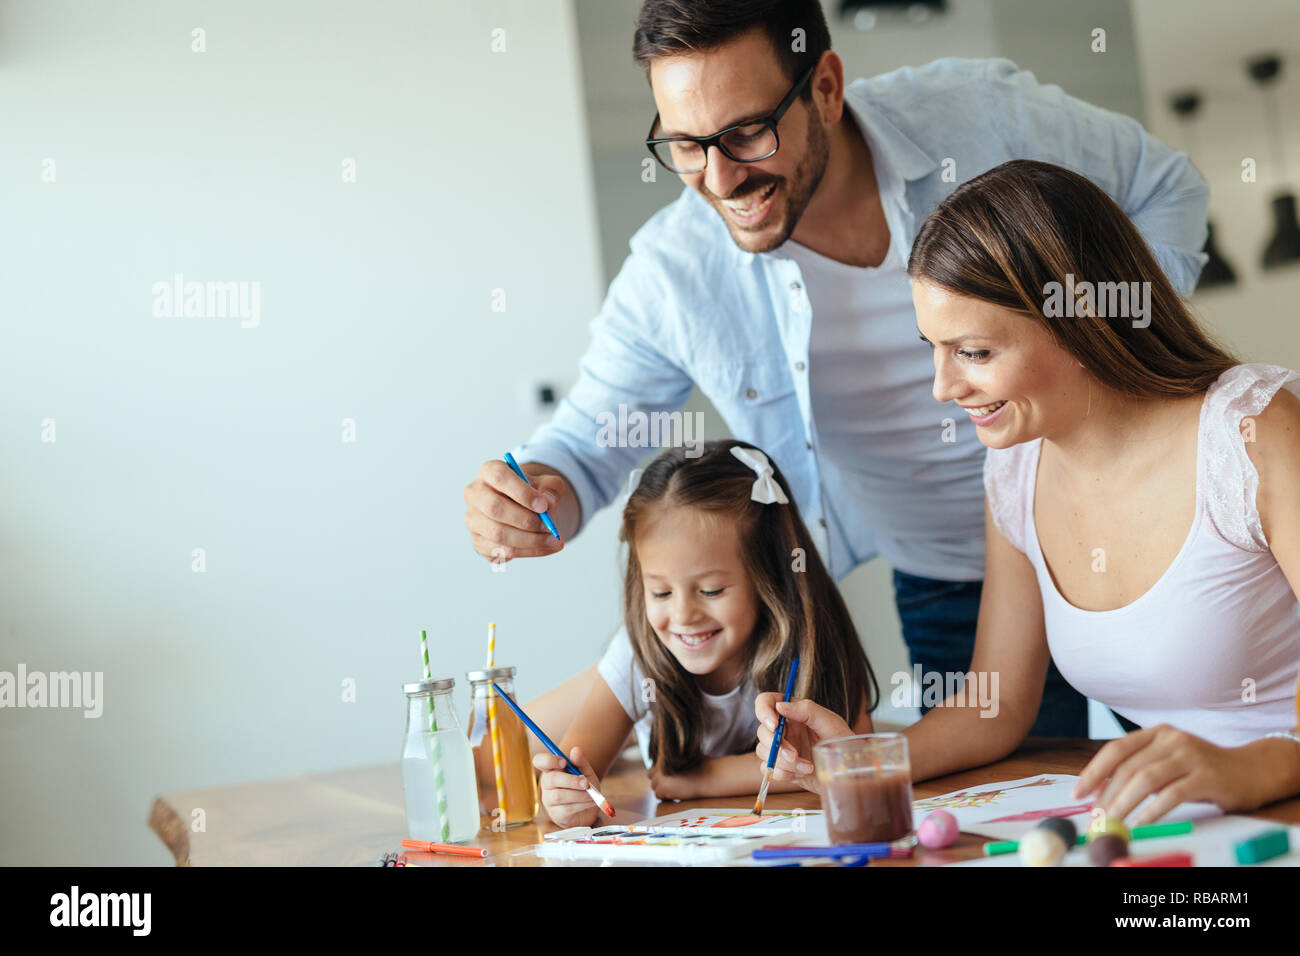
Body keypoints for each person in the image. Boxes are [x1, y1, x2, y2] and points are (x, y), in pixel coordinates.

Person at [464, 0, 1211, 741]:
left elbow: (1164, 189)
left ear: (825, 86)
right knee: (1021, 825)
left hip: (1129, 540)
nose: (719, 179)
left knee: (1215, 779)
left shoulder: (979, 117)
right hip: (951, 583)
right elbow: (589, 442)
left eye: (746, 133)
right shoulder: (674, 274)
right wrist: (538, 492)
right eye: (685, 145)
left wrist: (1106, 354)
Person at [754, 160, 1300, 825]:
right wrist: (856, 757)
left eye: (975, 353)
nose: (943, 388)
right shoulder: (1015, 472)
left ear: (1082, 320)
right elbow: (996, 708)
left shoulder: (1252, 434)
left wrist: (1251, 767)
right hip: (1187, 820)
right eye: (933, 347)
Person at [534, 440, 876, 824]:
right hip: (638, 703)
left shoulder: (817, 632)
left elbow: (857, 759)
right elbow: (574, 780)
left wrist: (696, 781)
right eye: (661, 592)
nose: (683, 614)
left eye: (711, 590)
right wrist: (568, 802)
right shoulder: (637, 653)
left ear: (772, 578)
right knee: (483, 756)